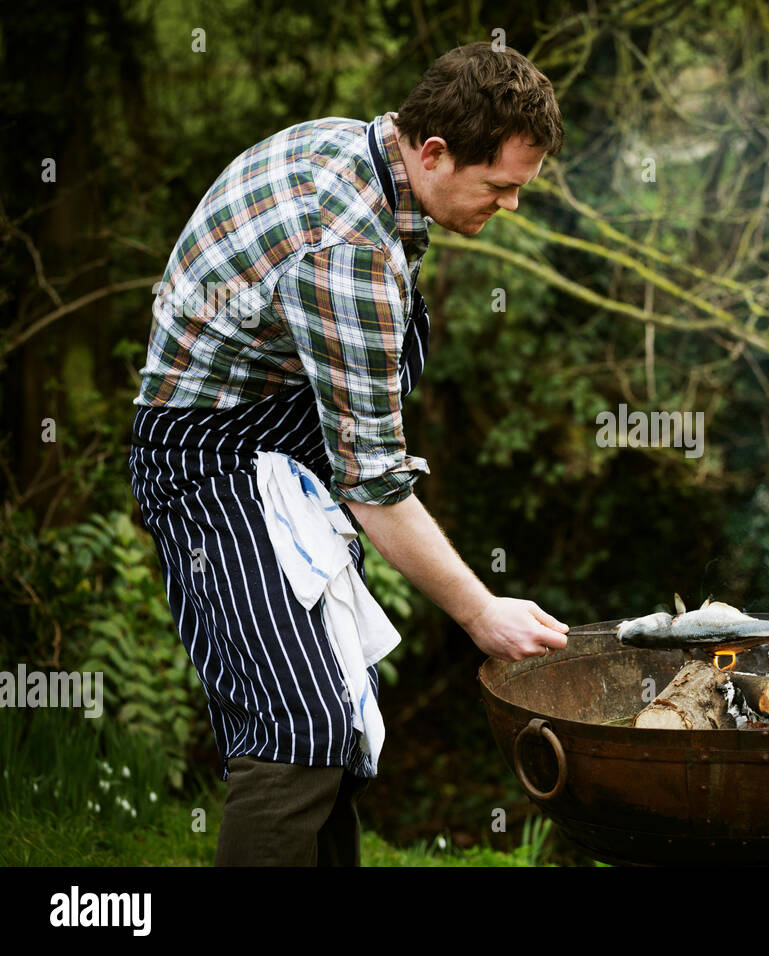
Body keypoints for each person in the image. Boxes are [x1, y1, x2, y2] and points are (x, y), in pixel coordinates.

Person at [127, 42, 568, 866]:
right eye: (499, 186)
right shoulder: (348, 253)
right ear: (432, 152)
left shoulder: (362, 146)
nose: (509, 206)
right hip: (212, 467)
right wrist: (481, 614)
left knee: (333, 715)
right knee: (301, 726)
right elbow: (372, 485)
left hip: (272, 445)